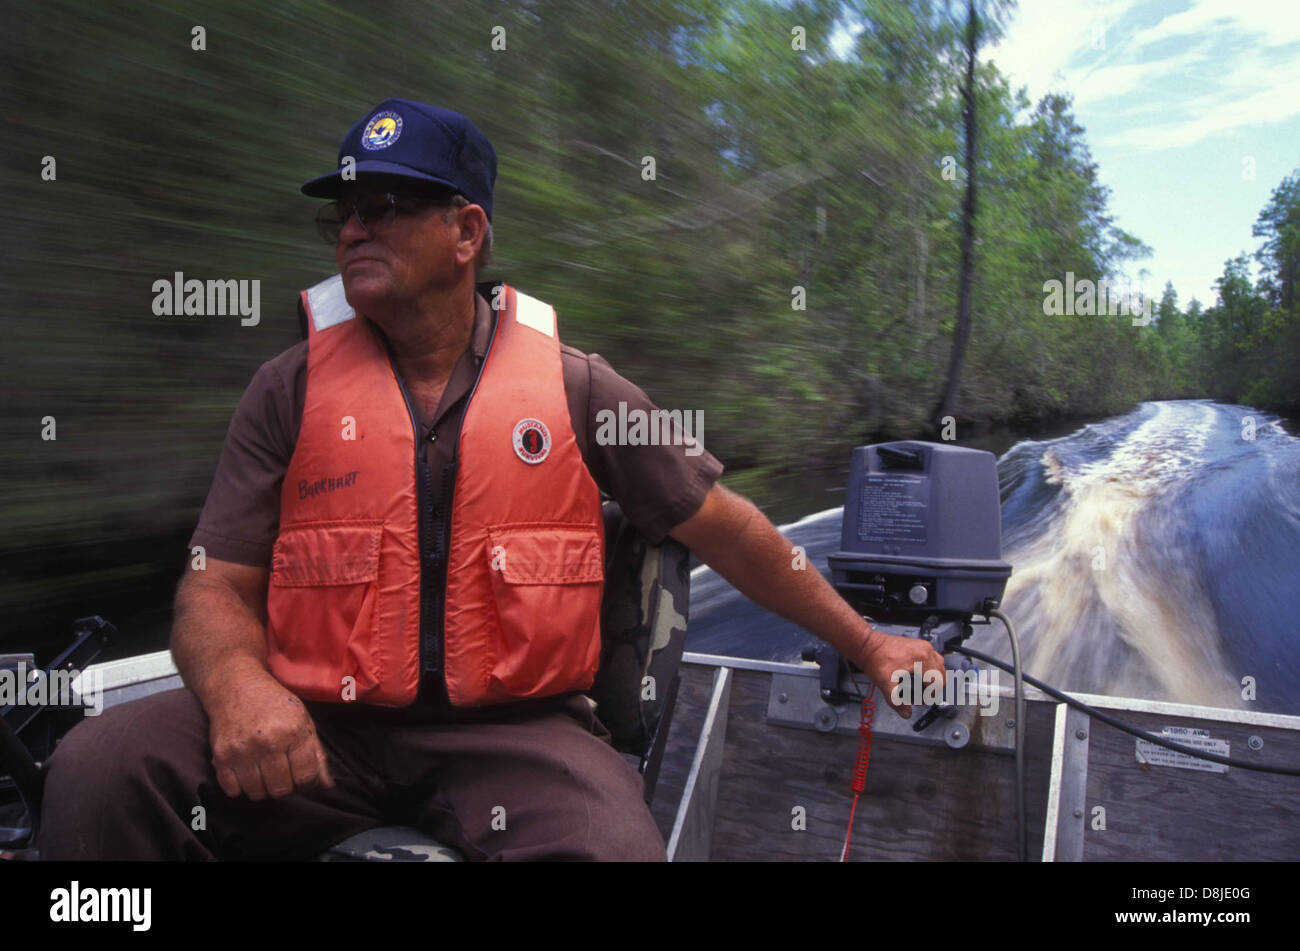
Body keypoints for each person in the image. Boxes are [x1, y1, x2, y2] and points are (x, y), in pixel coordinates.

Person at [37, 99, 945, 861]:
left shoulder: (580, 387)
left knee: (613, 849)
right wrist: (240, 686)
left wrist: (868, 646)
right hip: (321, 731)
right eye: (342, 212)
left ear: (466, 230)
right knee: (98, 769)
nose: (353, 227)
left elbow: (729, 529)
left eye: (385, 204)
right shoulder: (288, 389)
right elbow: (212, 586)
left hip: (520, 738)